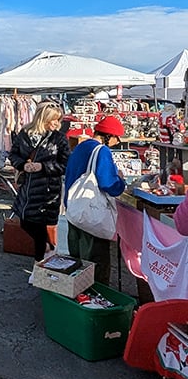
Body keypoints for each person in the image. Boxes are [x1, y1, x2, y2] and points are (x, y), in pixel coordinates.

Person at [9, 102, 70, 280]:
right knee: (25, 222)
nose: (57, 124)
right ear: (43, 119)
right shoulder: (25, 134)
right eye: (54, 120)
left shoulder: (59, 139)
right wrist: (23, 165)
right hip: (27, 188)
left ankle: (38, 265)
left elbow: (65, 164)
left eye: (59, 120)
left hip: (48, 189)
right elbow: (13, 154)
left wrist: (43, 166)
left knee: (40, 224)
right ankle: (48, 249)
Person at [64, 116, 126, 285]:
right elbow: (109, 183)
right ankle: (96, 302)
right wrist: (120, 181)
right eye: (117, 137)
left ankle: (77, 301)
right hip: (91, 215)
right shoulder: (102, 151)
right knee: (96, 265)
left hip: (74, 212)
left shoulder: (80, 147)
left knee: (77, 264)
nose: (117, 142)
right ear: (108, 136)